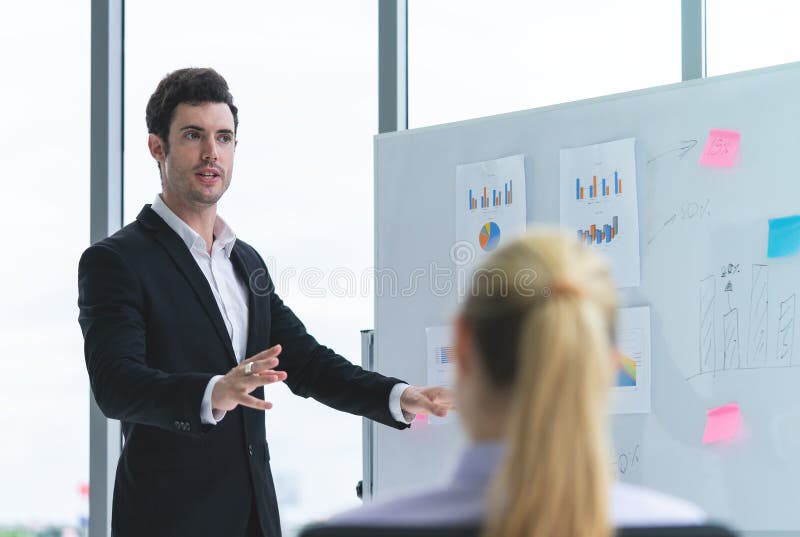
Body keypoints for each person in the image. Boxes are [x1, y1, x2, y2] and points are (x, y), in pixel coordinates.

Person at [77, 67, 452, 537]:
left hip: (255, 518)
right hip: (168, 520)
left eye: (224, 137)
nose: (212, 152)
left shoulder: (245, 261)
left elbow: (307, 361)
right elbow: (116, 385)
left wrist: (399, 396)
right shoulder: (116, 261)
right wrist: (216, 390)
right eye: (194, 135)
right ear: (158, 147)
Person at [327, 230, 706, 536]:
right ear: (607, 368)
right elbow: (686, 418)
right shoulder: (689, 530)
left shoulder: (351, 532)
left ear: (460, 348)